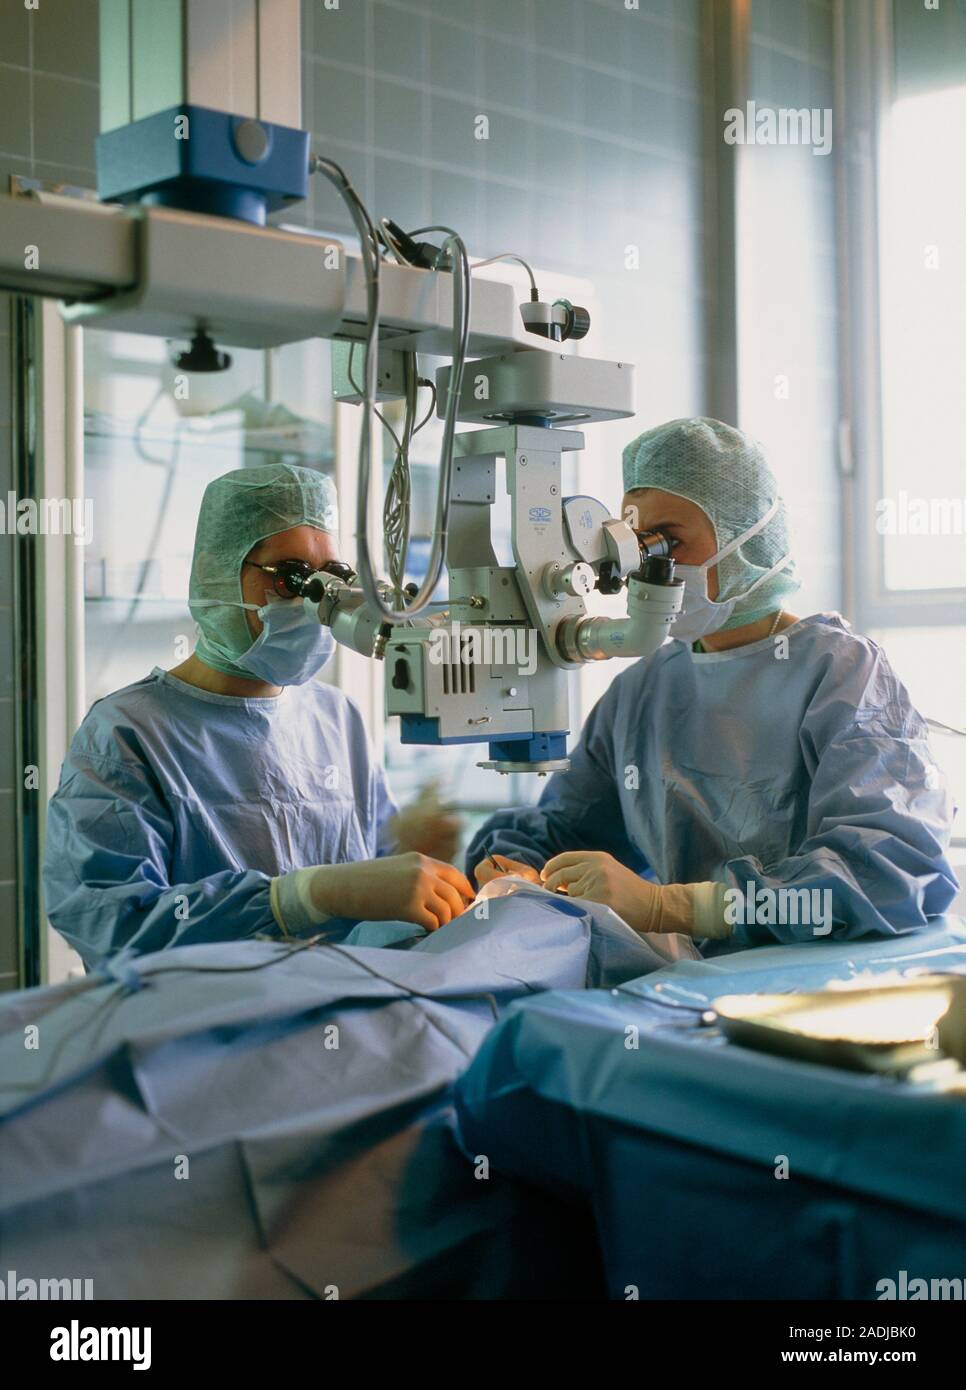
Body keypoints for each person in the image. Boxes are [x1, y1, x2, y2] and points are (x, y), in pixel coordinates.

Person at [467, 418, 959, 950]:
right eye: (637, 545)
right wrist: (513, 865)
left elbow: (885, 874)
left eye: (670, 542)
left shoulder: (843, 676)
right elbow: (567, 828)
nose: (648, 569)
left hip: (818, 979)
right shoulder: (641, 692)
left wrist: (675, 906)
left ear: (747, 537)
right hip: (689, 980)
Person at [45, 464, 474, 968]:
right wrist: (301, 898)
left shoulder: (337, 719)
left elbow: (377, 886)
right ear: (216, 571)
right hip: (202, 1029)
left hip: (336, 1016)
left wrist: (422, 860)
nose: (318, 599)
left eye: (332, 577)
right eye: (292, 577)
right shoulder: (127, 733)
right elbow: (113, 923)